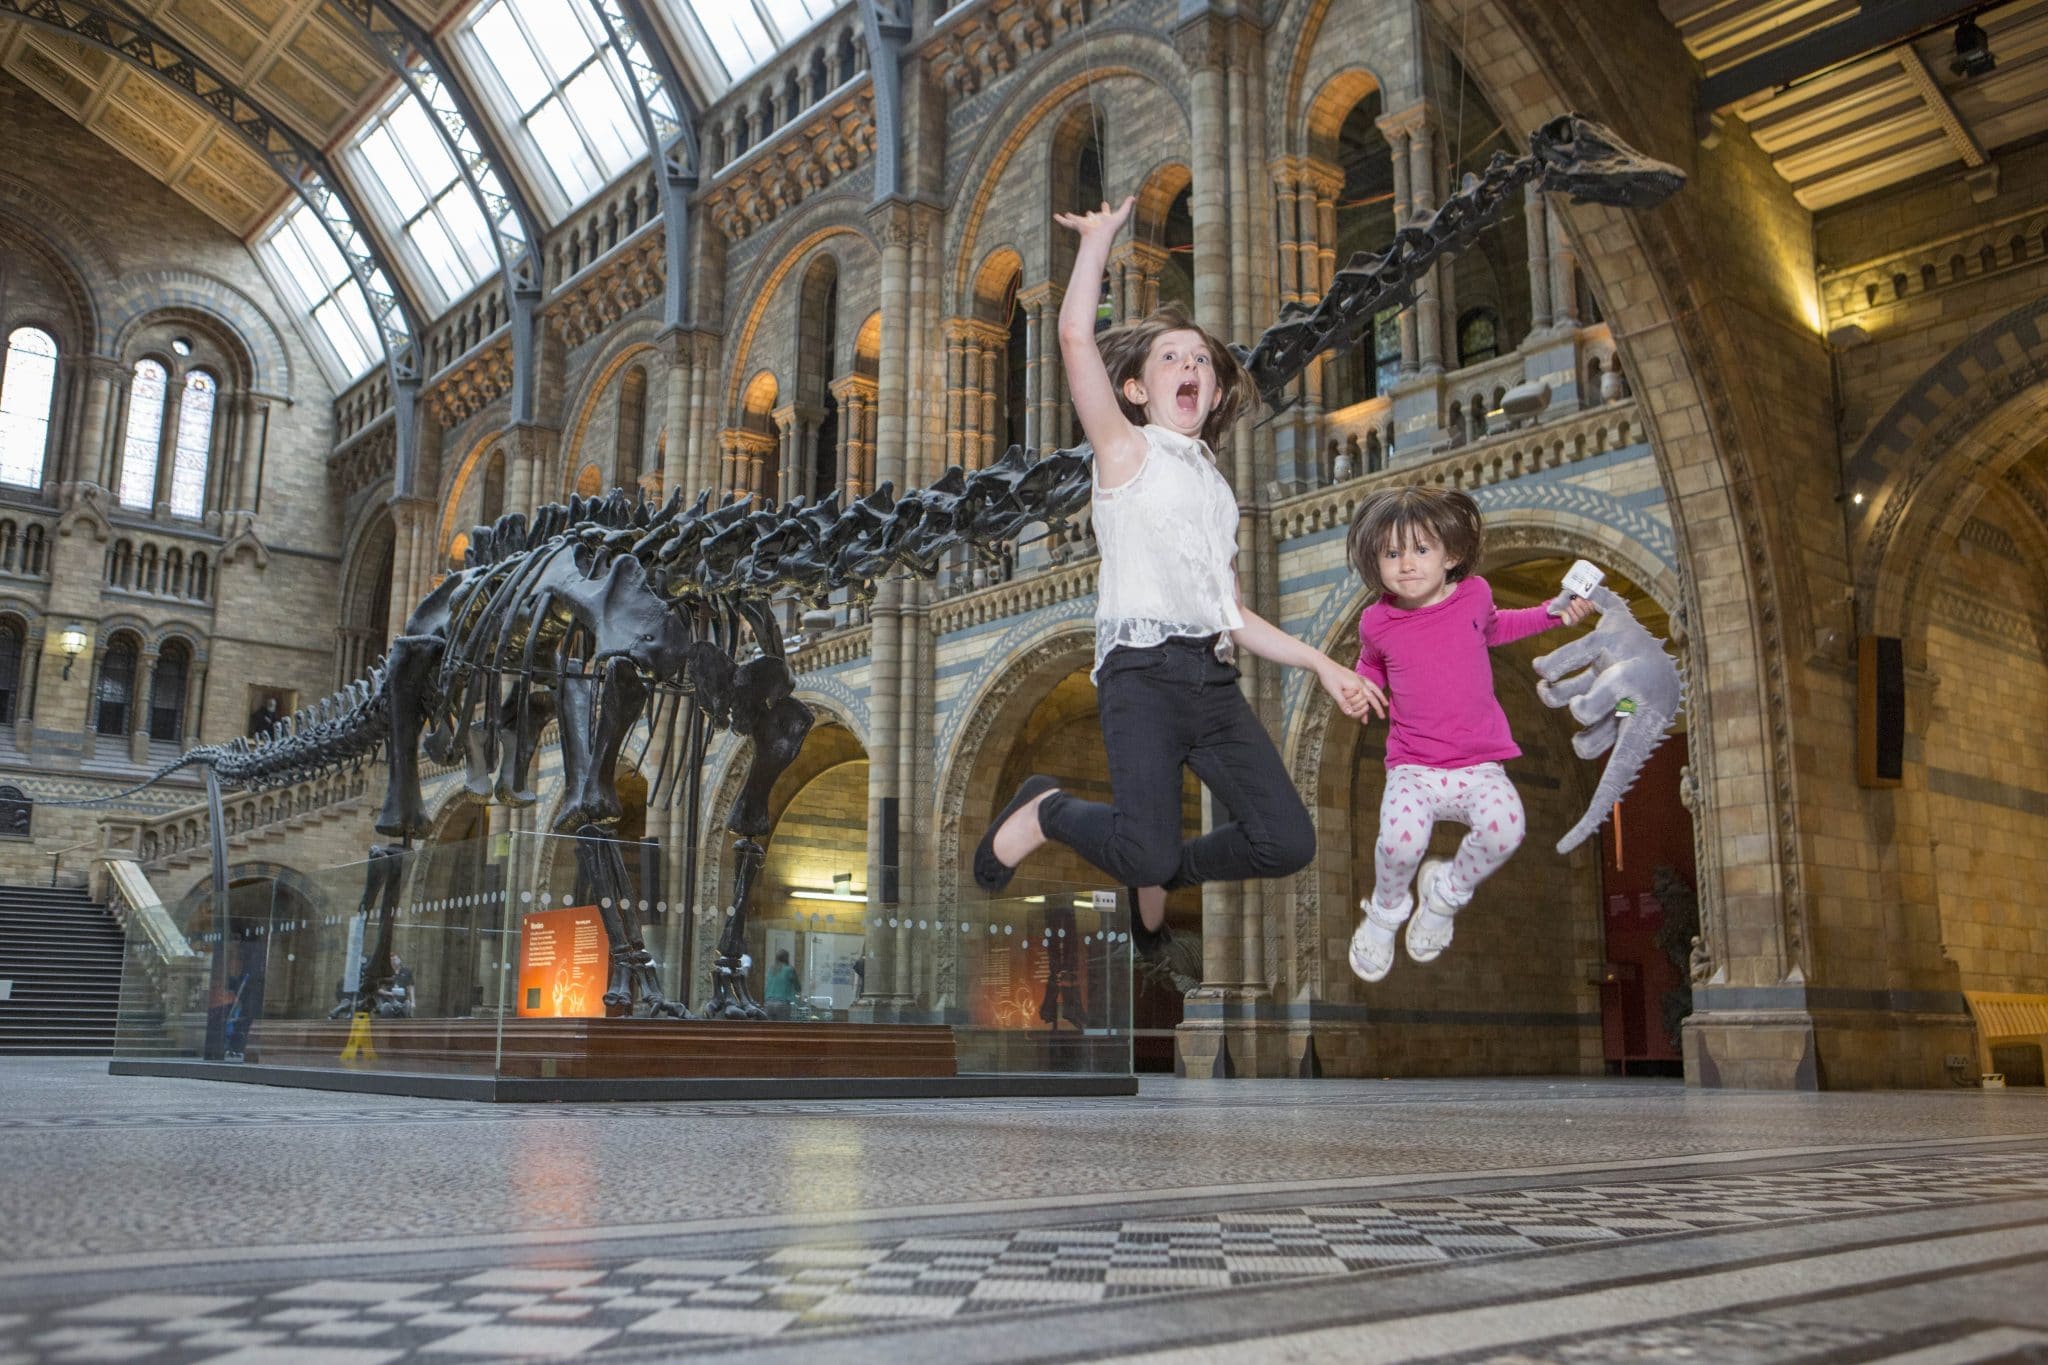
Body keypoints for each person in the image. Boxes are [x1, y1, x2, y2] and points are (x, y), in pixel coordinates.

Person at [972, 194, 1378, 959]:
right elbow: (1072, 338)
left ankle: (1150, 865)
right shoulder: (1126, 455)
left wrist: (1324, 662)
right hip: (1141, 678)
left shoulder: (1219, 490)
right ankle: (1049, 808)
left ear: (1216, 391)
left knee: (1286, 840)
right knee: (1147, 849)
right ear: (1137, 390)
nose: (1189, 365)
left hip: (1211, 682)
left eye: (1201, 360)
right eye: (1170, 358)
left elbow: (1231, 613)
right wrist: (1097, 242)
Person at [1343, 486, 1593, 983]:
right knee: (1398, 845)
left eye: (1420, 549)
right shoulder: (1377, 622)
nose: (1406, 565)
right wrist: (1361, 690)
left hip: (1479, 766)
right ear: (1375, 561)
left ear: (1450, 554)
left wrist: (1552, 612)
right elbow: (1369, 665)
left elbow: (1497, 628)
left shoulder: (1475, 595)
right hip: (1414, 767)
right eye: (1391, 554)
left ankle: (1444, 896)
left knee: (1506, 829)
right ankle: (1386, 912)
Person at [764, 948, 800, 1020]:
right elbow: (798, 987)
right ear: (787, 958)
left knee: (769, 1029)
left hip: (768, 1003)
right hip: (782, 1004)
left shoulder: (771, 969)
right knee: (782, 1029)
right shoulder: (789, 969)